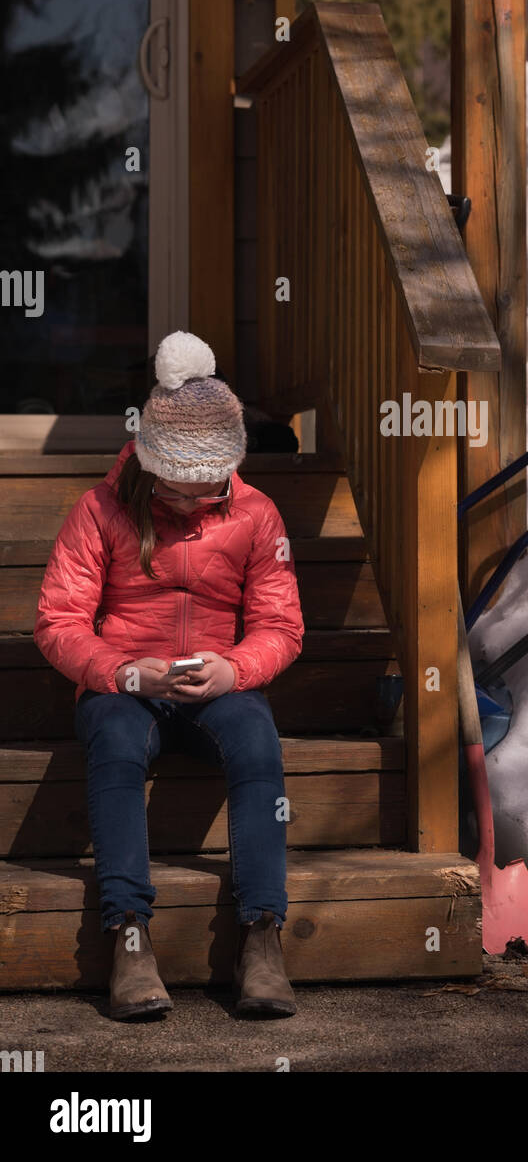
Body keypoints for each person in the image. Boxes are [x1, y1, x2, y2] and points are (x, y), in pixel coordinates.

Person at [33, 330, 304, 1021]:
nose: (192, 499)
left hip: (217, 685)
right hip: (124, 687)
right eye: (178, 486)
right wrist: (125, 674)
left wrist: (234, 669)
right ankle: (128, 934)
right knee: (116, 749)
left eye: (207, 484)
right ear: (152, 463)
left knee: (256, 745)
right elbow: (59, 622)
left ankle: (262, 935)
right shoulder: (100, 511)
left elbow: (282, 626)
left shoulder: (255, 514)